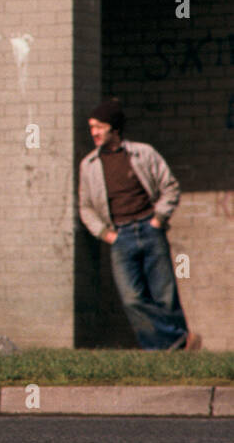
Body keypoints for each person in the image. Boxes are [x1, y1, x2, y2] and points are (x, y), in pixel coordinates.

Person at [77, 98, 199, 351]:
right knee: (132, 299)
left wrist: (158, 219)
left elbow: (170, 186)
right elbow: (85, 207)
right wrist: (106, 234)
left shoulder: (144, 153)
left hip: (149, 228)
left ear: (114, 127)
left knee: (164, 294)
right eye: (92, 127)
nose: (94, 133)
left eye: (99, 127)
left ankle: (162, 351)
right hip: (120, 235)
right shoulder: (89, 165)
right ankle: (179, 341)